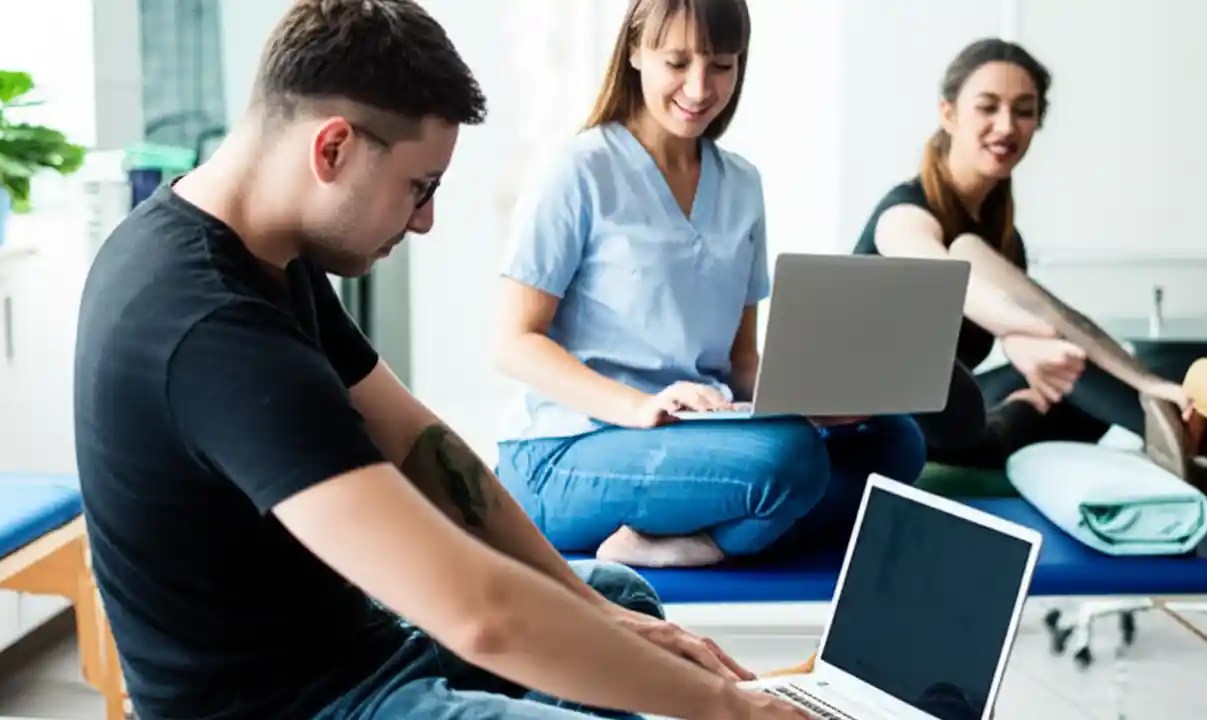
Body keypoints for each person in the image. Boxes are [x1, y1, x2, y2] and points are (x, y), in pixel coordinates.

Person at [72, 2, 810, 719]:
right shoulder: (209, 328)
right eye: (419, 189)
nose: (425, 221)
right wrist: (729, 711)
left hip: (360, 644)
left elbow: (419, 443)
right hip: (304, 702)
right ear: (332, 149)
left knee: (617, 597)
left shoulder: (259, 248)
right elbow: (480, 617)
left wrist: (593, 614)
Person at [493, 0, 926, 570]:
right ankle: (722, 540)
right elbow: (514, 343)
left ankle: (704, 536)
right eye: (677, 61)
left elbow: (740, 362)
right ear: (635, 53)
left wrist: (807, 401)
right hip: (567, 451)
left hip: (697, 434)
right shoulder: (579, 170)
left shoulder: (742, 184)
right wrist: (641, 406)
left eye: (721, 65)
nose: (699, 87)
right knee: (790, 461)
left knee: (895, 443)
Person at [854, 38, 1191, 468]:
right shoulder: (904, 214)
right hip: (887, 420)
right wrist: (1020, 335)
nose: (1007, 125)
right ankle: (1026, 416)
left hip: (955, 405)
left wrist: (1148, 383)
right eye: (988, 107)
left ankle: (1177, 432)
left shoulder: (1006, 240)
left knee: (1075, 381)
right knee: (970, 255)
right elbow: (946, 282)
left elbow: (1060, 319)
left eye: (1024, 110)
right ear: (949, 113)